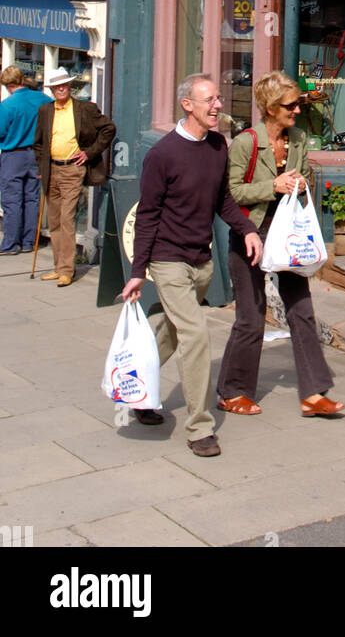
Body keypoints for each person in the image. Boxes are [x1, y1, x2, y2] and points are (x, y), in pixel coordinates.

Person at [121, 73, 263, 457]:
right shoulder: (162, 155)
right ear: (188, 105)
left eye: (218, 98)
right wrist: (138, 273)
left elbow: (224, 201)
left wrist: (247, 229)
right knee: (196, 334)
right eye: (209, 100)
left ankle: (137, 391)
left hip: (201, 260)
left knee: (170, 329)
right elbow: (148, 215)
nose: (218, 105)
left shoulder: (218, 146)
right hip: (168, 259)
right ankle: (200, 428)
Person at [216, 70, 344, 419]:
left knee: (301, 309)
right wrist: (272, 186)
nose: (298, 111)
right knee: (251, 315)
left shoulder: (299, 138)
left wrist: (302, 183)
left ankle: (314, 394)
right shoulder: (246, 142)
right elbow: (230, 193)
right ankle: (232, 391)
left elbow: (307, 177)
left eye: (299, 104)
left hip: (288, 234)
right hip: (251, 233)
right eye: (291, 105)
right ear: (271, 108)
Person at [34, 68, 116, 286]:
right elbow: (39, 143)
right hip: (51, 170)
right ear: (52, 89)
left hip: (72, 170)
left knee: (67, 219)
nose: (61, 88)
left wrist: (89, 153)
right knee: (54, 220)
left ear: (70, 87)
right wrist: (41, 164)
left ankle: (67, 271)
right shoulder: (45, 110)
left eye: (65, 85)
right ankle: (58, 266)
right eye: (57, 86)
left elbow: (108, 128)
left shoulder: (84, 109)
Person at [0, 66, 52, 255]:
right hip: (36, 154)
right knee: (31, 198)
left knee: (12, 200)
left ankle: (11, 243)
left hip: (14, 154)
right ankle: (29, 241)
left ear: (7, 85)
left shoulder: (7, 105)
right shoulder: (43, 99)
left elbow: (1, 131)